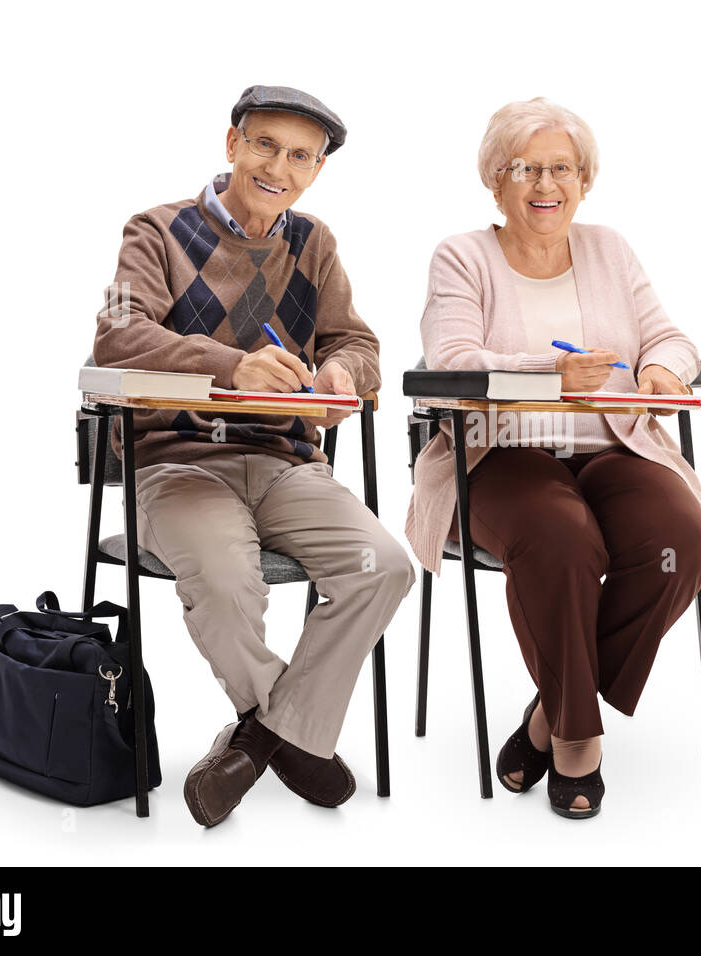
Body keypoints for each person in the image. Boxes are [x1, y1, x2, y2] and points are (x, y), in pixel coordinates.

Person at [93, 85, 415, 827]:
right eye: (266, 144)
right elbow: (116, 334)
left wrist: (344, 375)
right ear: (232, 143)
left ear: (316, 171)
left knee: (385, 567)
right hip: (177, 460)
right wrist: (228, 366)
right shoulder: (156, 230)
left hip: (286, 465)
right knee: (227, 578)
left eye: (301, 156)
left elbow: (355, 342)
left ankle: (259, 739)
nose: (280, 165)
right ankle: (295, 737)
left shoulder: (314, 242)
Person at [406, 97, 701, 819]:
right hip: (502, 452)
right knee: (561, 535)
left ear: (584, 180)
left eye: (562, 169)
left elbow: (670, 337)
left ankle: (546, 713)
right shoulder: (463, 255)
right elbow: (452, 361)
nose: (546, 185)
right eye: (527, 169)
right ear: (496, 180)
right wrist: (547, 372)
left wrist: (666, 370)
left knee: (681, 538)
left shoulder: (609, 248)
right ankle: (576, 737)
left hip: (614, 442)